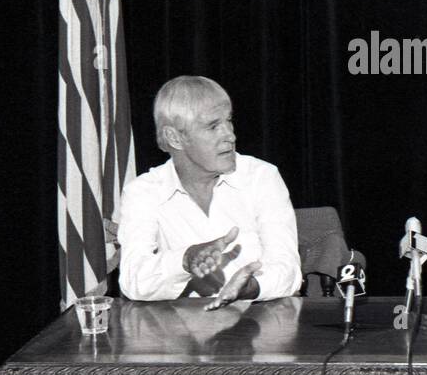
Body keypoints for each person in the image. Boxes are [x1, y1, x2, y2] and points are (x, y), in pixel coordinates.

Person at [117, 75, 302, 308]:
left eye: (229, 121)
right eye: (213, 126)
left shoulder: (261, 177)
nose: (230, 136)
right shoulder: (143, 192)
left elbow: (289, 270)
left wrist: (249, 288)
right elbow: (133, 281)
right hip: (182, 337)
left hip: (260, 322)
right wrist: (184, 259)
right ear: (174, 137)